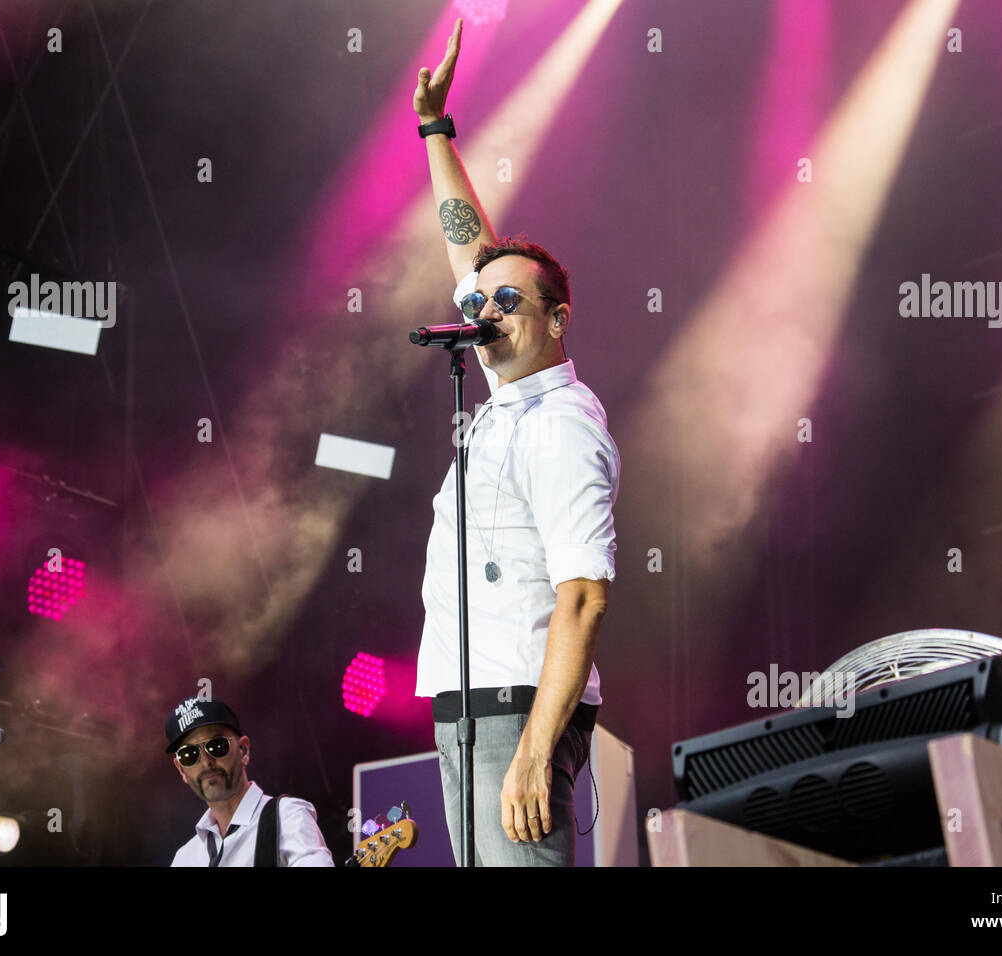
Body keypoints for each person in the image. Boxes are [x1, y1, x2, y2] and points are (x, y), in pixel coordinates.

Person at [411, 18, 620, 867]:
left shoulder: (562, 423)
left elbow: (584, 596)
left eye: (507, 304)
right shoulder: (506, 402)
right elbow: (475, 248)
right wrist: (434, 130)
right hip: (467, 707)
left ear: (556, 320)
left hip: (516, 708)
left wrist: (536, 748)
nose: (484, 312)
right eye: (479, 303)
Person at [165, 695, 334, 866]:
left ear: (243, 750)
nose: (206, 761)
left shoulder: (287, 817)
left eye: (216, 746)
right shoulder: (185, 858)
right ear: (181, 770)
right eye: (189, 754)